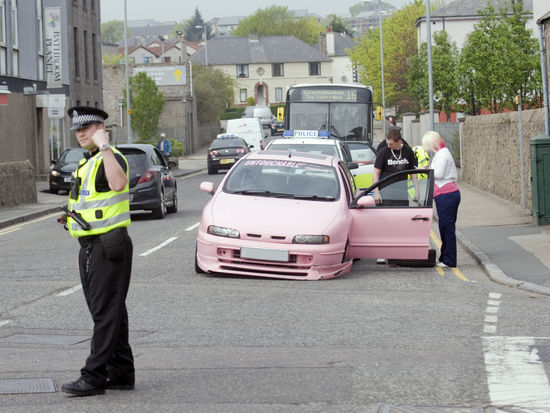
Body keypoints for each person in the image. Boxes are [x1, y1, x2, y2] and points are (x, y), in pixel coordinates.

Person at [61, 106, 135, 396]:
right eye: (78, 129)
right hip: (92, 245)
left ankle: (93, 376)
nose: (81, 133)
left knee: (104, 312)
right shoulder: (88, 161)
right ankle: (121, 372)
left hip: (109, 245)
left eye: (88, 128)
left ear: (101, 128)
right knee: (112, 310)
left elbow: (118, 184)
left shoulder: (109, 156)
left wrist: (104, 145)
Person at [372, 127, 419, 265]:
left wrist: (417, 190)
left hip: (402, 194)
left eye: (391, 143)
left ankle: (397, 252)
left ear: (399, 141)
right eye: (388, 143)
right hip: (386, 193)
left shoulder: (408, 151)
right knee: (383, 224)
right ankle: (381, 253)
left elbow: (412, 172)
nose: (389, 145)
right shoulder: (384, 152)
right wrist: (376, 192)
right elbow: (375, 173)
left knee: (400, 225)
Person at [422, 131, 461, 268]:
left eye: (428, 146)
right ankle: (445, 257)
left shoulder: (442, 155)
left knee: (447, 228)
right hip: (445, 195)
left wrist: (427, 169)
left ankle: (449, 260)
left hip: (446, 195)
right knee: (444, 227)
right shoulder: (442, 153)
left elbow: (438, 174)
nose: (428, 149)